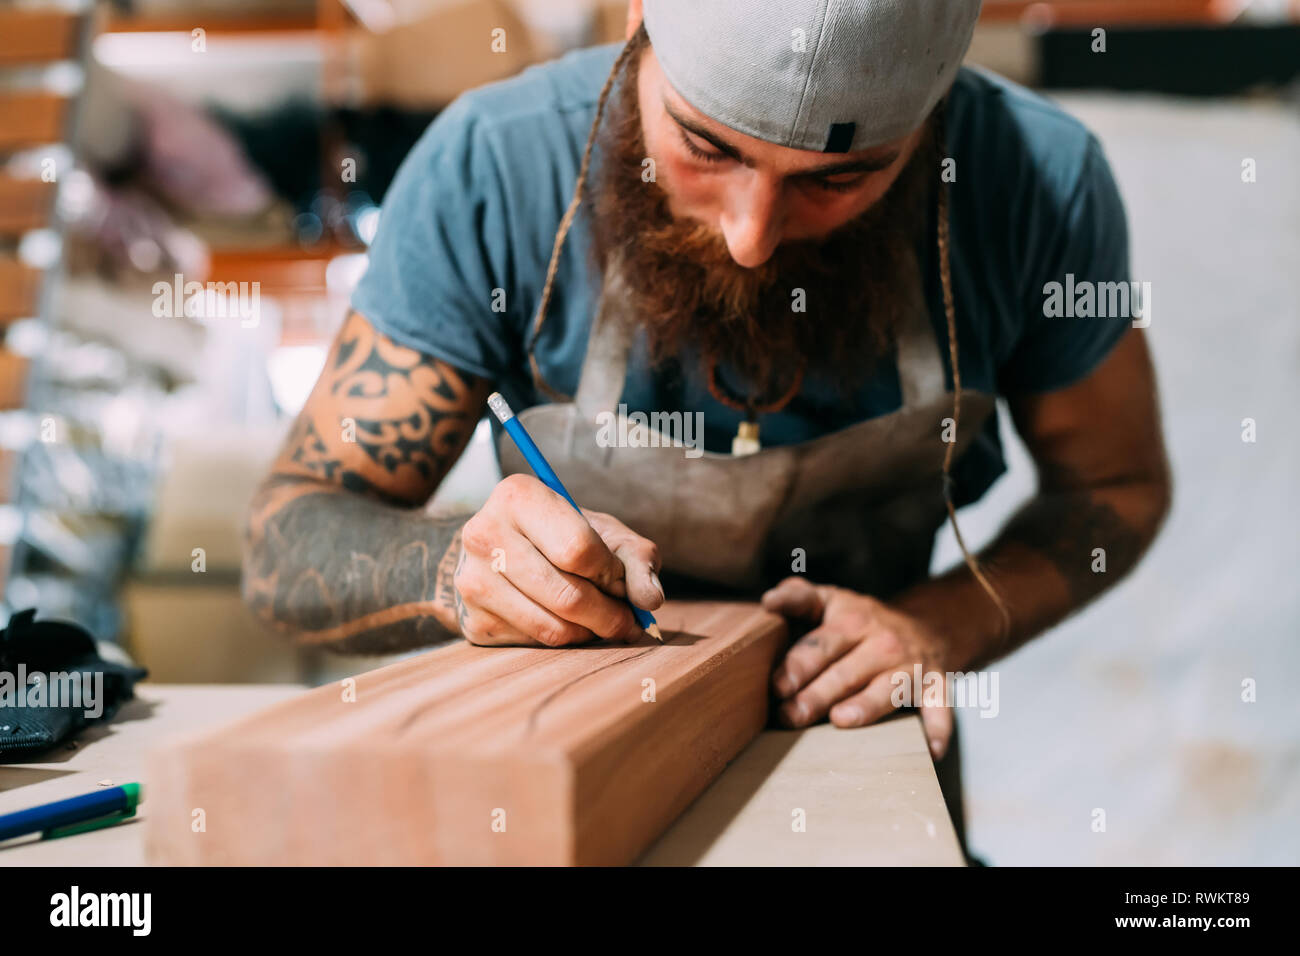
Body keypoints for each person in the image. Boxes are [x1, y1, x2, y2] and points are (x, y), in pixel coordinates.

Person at [243, 0, 1171, 854]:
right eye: (705, 147)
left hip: (869, 776)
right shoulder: (497, 167)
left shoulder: (1038, 183)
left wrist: (942, 624)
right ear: (643, 12)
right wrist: (452, 569)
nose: (752, 234)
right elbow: (287, 540)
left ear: (929, 130)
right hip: (575, 786)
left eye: (839, 179)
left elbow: (1117, 487)